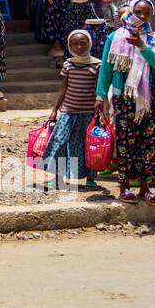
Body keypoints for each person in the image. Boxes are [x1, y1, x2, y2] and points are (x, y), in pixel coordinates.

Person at [95, 0, 155, 204]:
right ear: (130, 12)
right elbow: (106, 69)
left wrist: (143, 46)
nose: (142, 16)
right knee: (126, 141)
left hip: (148, 98)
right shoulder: (115, 37)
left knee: (148, 142)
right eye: (139, 12)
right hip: (123, 98)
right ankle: (124, 185)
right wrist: (101, 96)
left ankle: (145, 187)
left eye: (147, 13)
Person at [42, 29, 102, 190]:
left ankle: (90, 179)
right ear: (70, 45)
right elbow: (63, 88)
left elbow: (99, 90)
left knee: (89, 144)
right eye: (75, 44)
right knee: (59, 142)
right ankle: (56, 178)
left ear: (89, 44)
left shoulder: (97, 64)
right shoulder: (68, 64)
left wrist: (103, 108)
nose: (79, 47)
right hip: (68, 111)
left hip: (88, 113)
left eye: (83, 43)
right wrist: (55, 110)